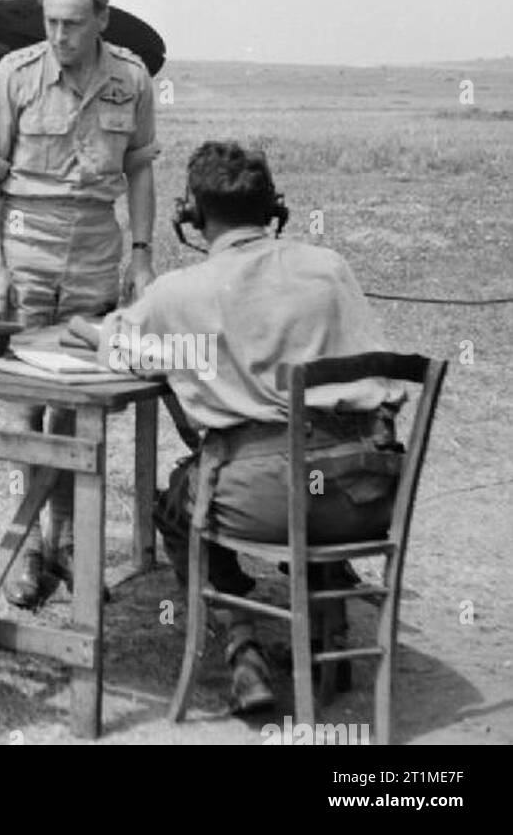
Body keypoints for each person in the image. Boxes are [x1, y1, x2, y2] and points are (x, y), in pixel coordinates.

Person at [81, 141, 407, 713]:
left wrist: (87, 330)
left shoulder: (179, 293)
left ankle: (242, 646)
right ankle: (324, 639)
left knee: (176, 509)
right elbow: (386, 381)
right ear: (273, 207)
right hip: (366, 491)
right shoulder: (330, 270)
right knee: (316, 475)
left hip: (270, 495)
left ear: (193, 216)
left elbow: (118, 342)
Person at [0, 0, 159, 608]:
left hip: (94, 261)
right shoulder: (14, 75)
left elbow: (138, 169)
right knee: (24, 409)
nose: (58, 35)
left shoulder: (131, 79)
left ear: (103, 18)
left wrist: (141, 256)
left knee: (78, 411)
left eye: (72, 23)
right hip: (25, 256)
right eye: (50, 21)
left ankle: (70, 549)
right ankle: (28, 555)